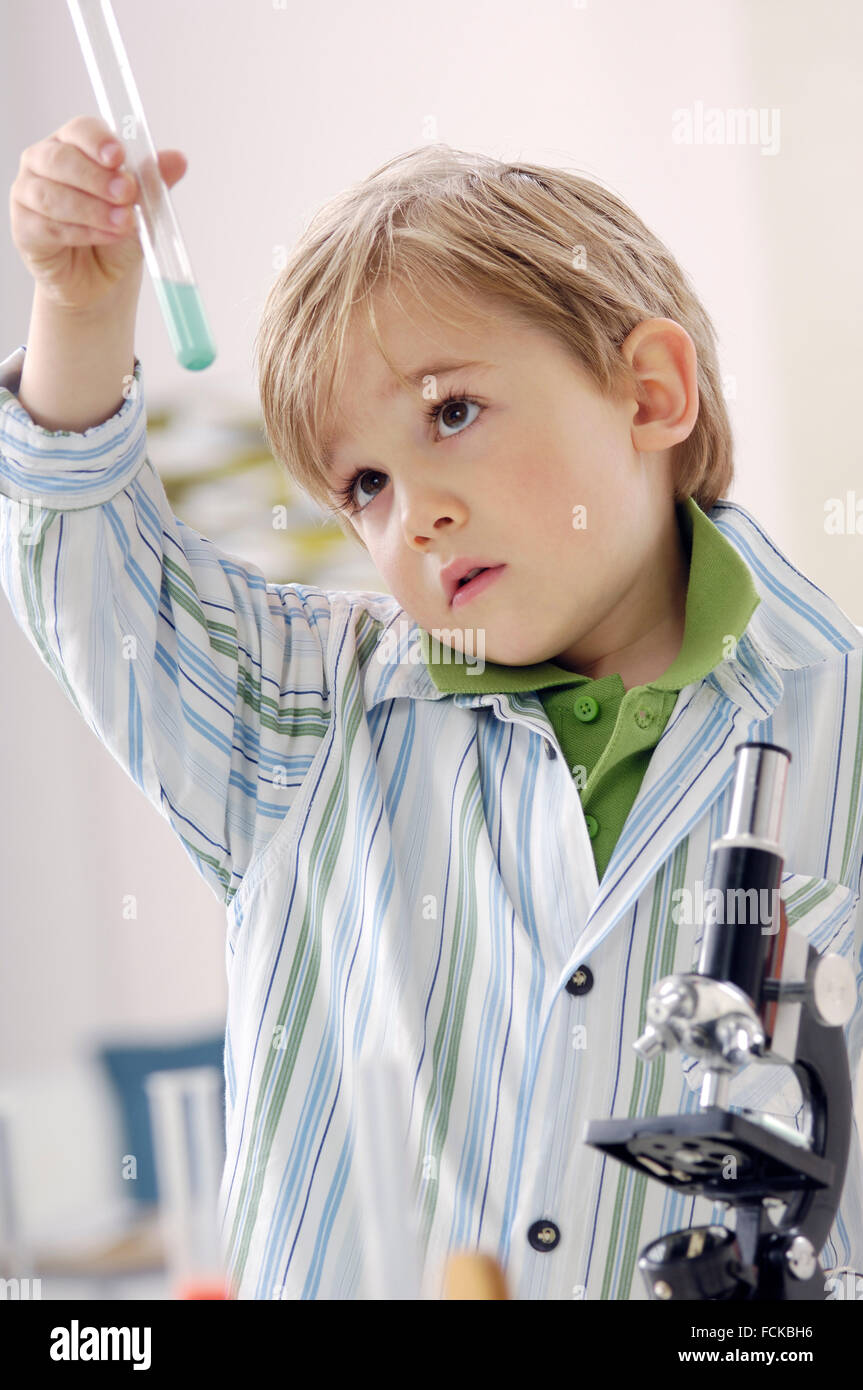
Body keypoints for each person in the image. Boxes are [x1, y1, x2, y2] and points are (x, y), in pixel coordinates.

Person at [2, 115, 862, 1301]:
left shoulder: (844, 723)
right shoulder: (310, 715)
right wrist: (80, 313)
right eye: (363, 484)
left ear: (650, 392)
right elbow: (93, 578)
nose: (411, 514)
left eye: (450, 411)